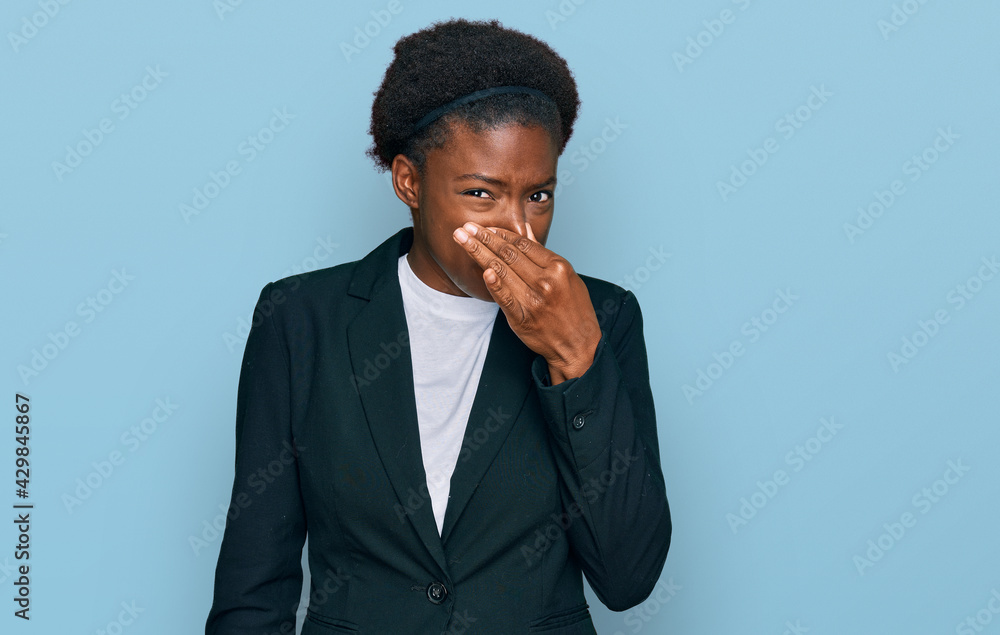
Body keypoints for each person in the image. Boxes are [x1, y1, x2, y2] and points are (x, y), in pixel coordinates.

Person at [205, 17, 671, 634]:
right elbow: (253, 587)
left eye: (539, 195)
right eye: (482, 194)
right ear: (409, 182)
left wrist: (576, 359)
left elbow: (627, 579)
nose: (519, 232)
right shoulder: (300, 321)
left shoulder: (604, 319)